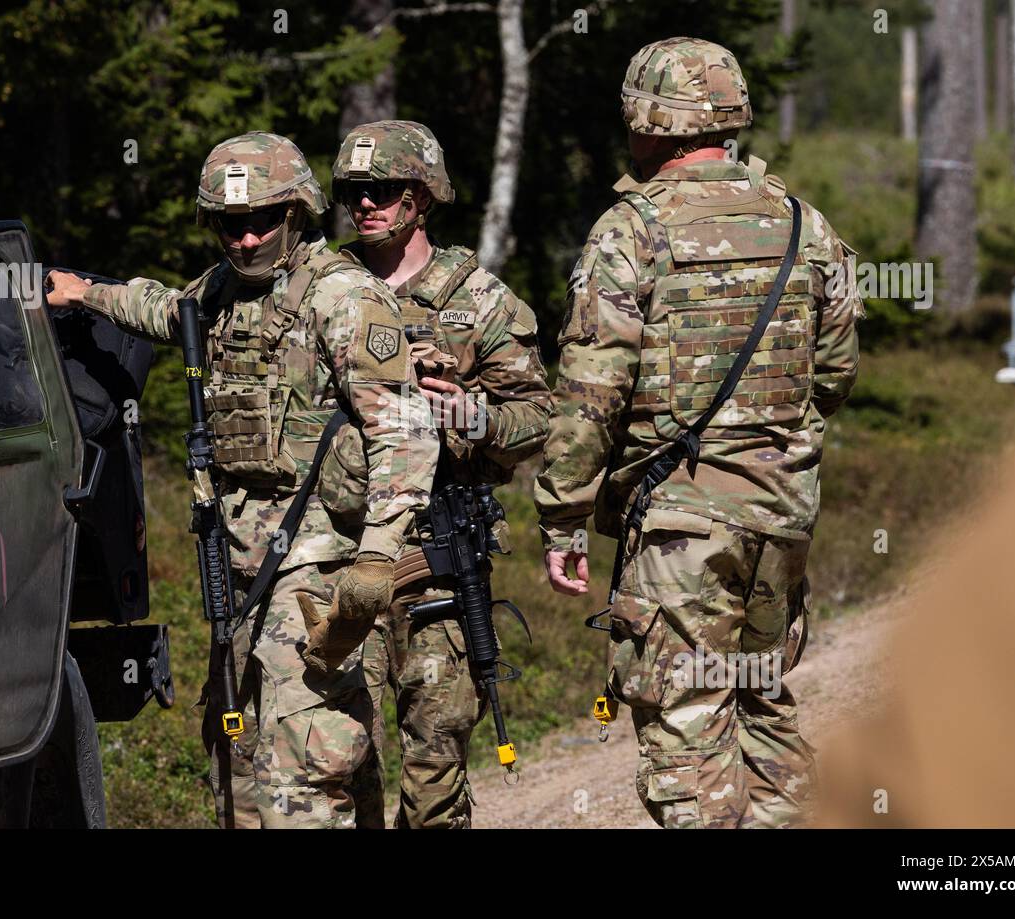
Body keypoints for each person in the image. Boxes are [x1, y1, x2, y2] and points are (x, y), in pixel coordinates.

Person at [46, 131, 438, 829]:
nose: (247, 237)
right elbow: (169, 312)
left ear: (298, 215)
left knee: (303, 765)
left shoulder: (342, 298)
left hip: (320, 564)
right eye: (232, 224)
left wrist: (378, 557)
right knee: (241, 763)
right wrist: (88, 295)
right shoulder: (223, 290)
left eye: (263, 220)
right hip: (241, 564)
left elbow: (404, 431)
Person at [534, 38, 862, 829]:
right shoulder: (800, 222)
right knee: (758, 698)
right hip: (783, 514)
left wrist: (563, 514)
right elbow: (836, 368)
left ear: (648, 119)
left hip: (682, 524)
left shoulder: (631, 230)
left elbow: (591, 392)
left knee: (685, 718)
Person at [330, 120, 552, 828]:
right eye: (353, 192)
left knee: (434, 769)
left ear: (421, 198)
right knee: (339, 759)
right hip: (338, 559)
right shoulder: (324, 286)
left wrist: (475, 416)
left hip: (436, 569)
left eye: (383, 190)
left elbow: (541, 419)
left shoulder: (477, 298)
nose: (365, 204)